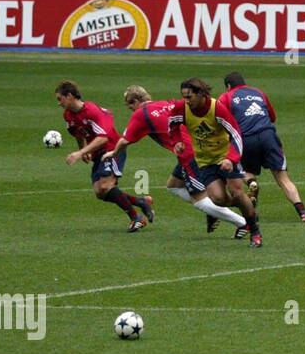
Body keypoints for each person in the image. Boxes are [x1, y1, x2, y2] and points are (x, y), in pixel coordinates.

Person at [104, 85, 248, 235]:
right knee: (174, 186)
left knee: (199, 200)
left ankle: (243, 223)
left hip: (189, 154)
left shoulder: (141, 114)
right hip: (201, 146)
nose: (130, 109)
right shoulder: (168, 103)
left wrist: (113, 153)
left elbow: (125, 141)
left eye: (129, 105)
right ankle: (218, 210)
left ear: (135, 101)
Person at [168, 78, 263, 248]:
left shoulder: (217, 108)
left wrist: (231, 159)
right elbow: (172, 125)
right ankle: (248, 207)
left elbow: (235, 134)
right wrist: (176, 141)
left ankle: (255, 232)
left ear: (201, 94)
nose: (186, 101)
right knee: (217, 199)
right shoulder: (181, 108)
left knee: (236, 191)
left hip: (226, 156)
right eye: (184, 97)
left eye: (189, 97)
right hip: (205, 160)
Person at [54, 81, 153, 232]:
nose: (59, 103)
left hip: (112, 149)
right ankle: (141, 202)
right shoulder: (68, 115)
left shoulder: (92, 111)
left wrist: (79, 153)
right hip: (97, 152)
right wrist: (83, 150)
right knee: (99, 192)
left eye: (60, 99)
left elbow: (104, 138)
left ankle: (136, 218)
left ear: (69, 96)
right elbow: (77, 133)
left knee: (106, 186)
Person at [219, 72, 305, 222]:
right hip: (268, 136)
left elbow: (221, 121)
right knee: (283, 178)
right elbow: (272, 117)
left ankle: (252, 183)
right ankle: (303, 212)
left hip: (246, 139)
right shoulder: (258, 92)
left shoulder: (226, 97)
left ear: (228, 86)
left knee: (245, 170)